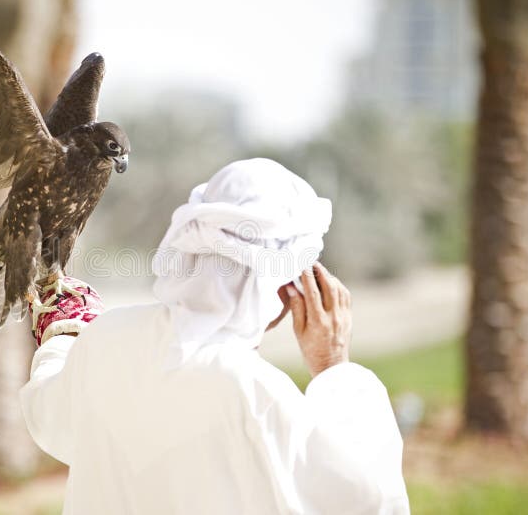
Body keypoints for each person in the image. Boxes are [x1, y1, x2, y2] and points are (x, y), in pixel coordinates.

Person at [21, 158, 410, 514]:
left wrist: (63, 335)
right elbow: (367, 499)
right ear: (290, 283)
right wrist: (333, 367)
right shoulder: (254, 391)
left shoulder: (107, 338)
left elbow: (50, 418)